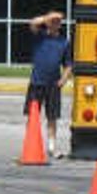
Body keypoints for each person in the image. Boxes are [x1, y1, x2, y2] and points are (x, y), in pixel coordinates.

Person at [26, 10, 73, 158]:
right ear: (47, 22)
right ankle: (30, 144)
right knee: (33, 116)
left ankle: (52, 147)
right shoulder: (40, 37)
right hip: (36, 82)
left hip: (53, 84)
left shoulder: (64, 42)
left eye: (57, 22)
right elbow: (33, 23)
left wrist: (63, 80)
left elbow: (68, 65)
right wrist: (48, 17)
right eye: (52, 22)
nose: (55, 24)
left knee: (52, 117)